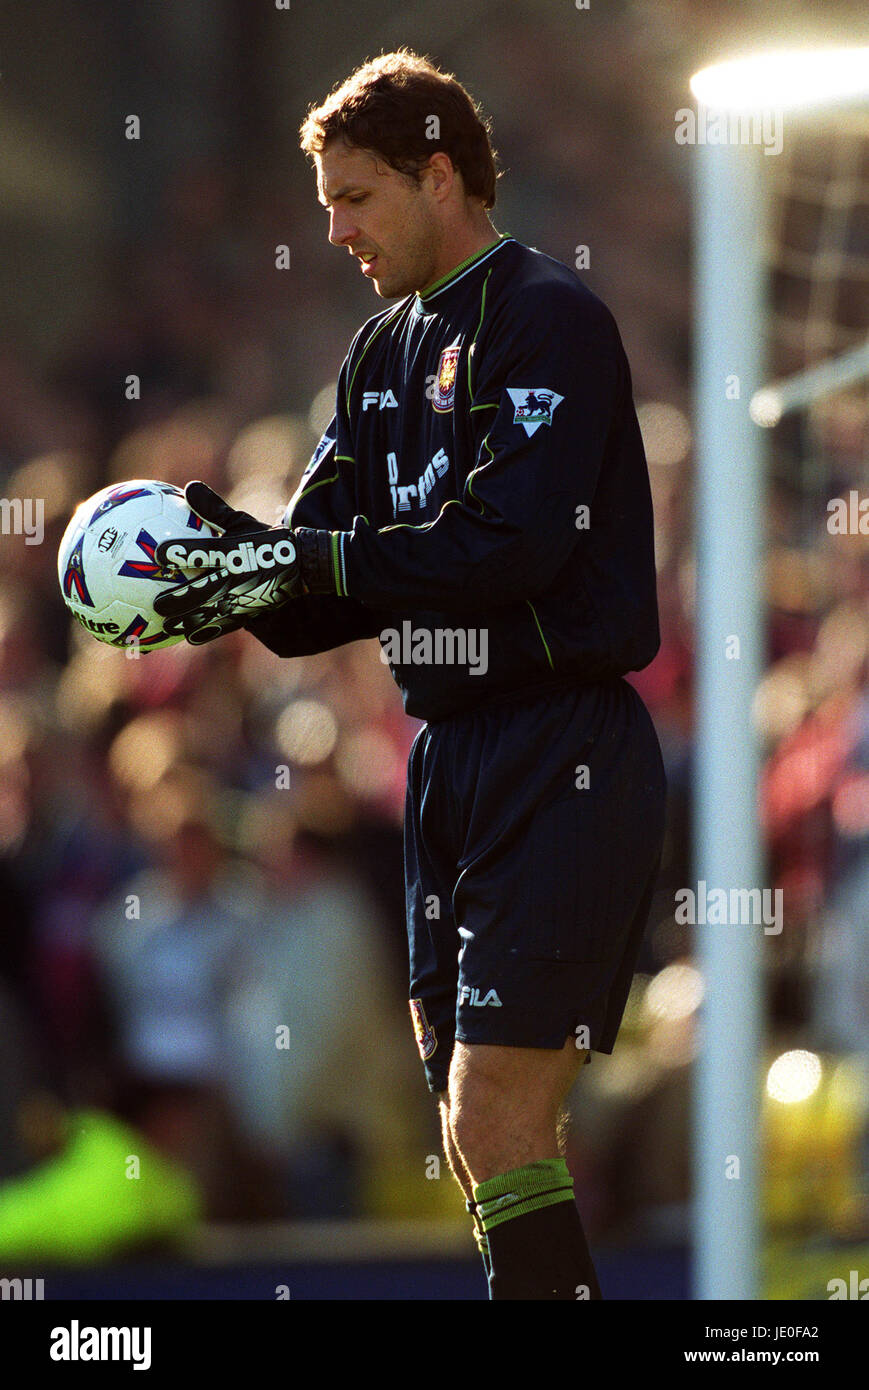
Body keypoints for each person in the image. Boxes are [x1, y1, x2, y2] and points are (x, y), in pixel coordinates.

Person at [154, 48, 667, 1300]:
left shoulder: (549, 315)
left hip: (563, 749)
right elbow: (311, 590)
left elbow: (512, 544)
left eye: (354, 197)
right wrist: (198, 577)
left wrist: (307, 558)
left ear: (439, 177)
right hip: (447, 759)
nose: (332, 230)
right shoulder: (376, 354)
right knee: (467, 1121)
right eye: (325, 203)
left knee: (494, 1109)